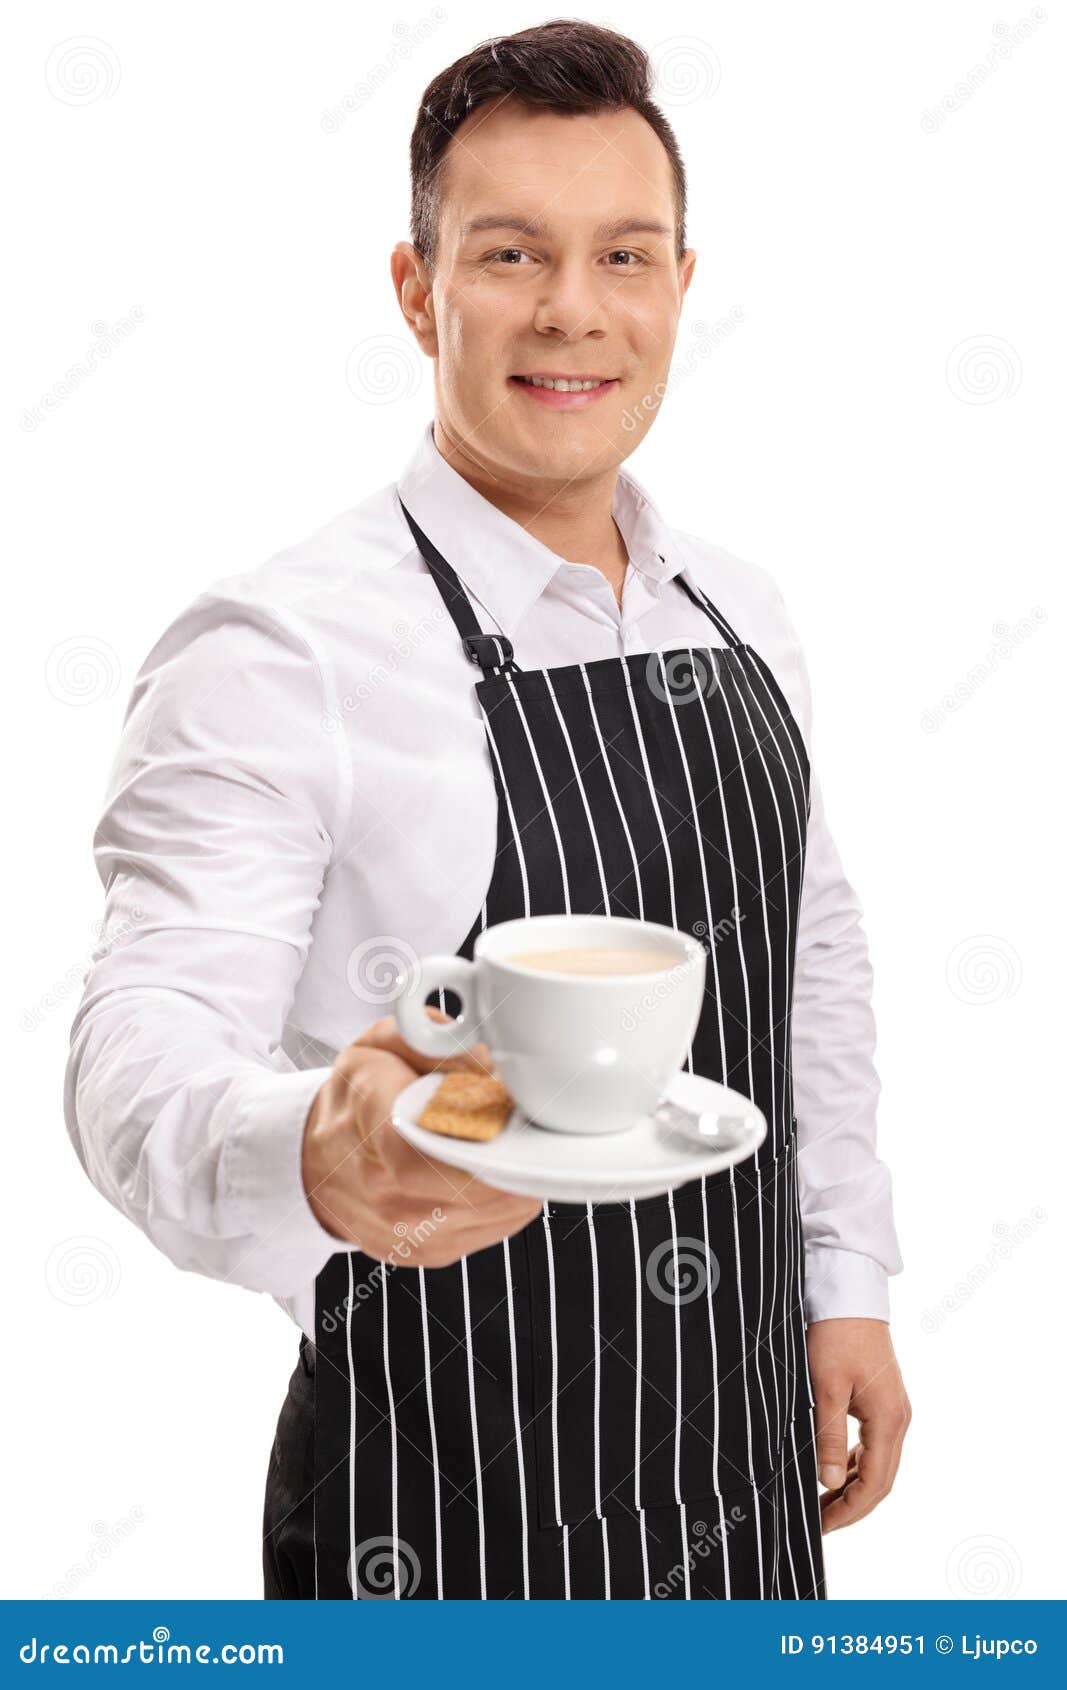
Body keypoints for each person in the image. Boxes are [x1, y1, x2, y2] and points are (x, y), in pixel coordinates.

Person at [64, 19, 908, 1601]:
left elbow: (813, 959)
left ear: (678, 281)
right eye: (512, 253)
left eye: (625, 255)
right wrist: (314, 1148)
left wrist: (841, 1283)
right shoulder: (282, 647)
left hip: (742, 1484)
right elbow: (139, 1045)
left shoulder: (741, 610)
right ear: (417, 287)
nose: (573, 309)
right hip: (437, 1517)